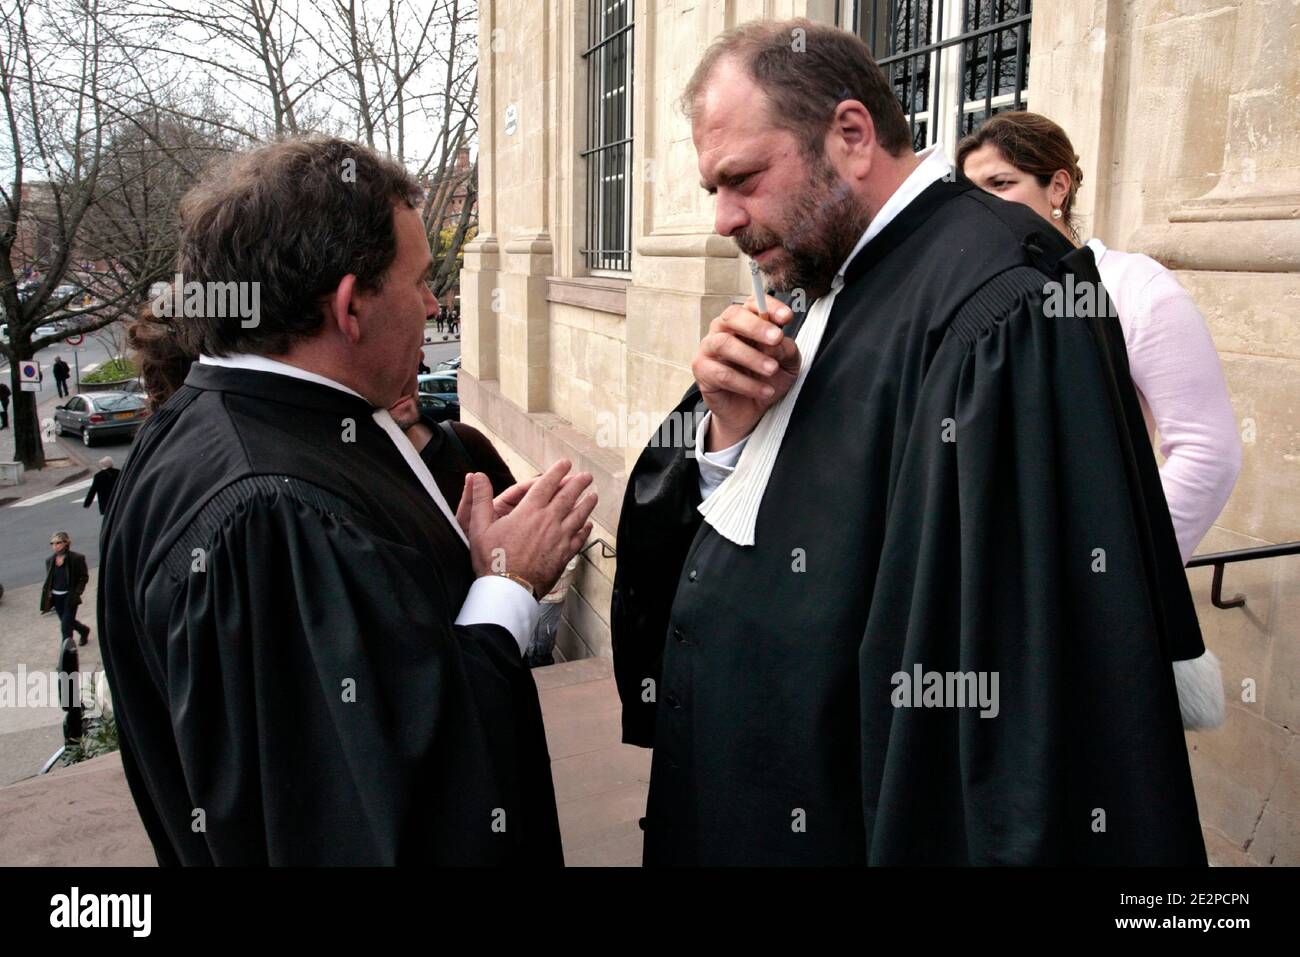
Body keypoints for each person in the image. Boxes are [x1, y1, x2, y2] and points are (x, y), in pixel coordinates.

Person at [611, 19, 1208, 866]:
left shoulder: (1006, 304)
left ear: (851, 135)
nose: (722, 218)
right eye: (713, 187)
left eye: (742, 178)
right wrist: (721, 426)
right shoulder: (824, 265)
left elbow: (1014, 708)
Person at [100, 136, 598, 866]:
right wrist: (508, 587)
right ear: (349, 306)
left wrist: (454, 567)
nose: (434, 304)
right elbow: (390, 808)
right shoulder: (271, 516)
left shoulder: (193, 429)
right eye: (421, 280)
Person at [956, 111, 1242, 566]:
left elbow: (1207, 450)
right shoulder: (974, 295)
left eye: (1001, 183)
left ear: (1058, 187)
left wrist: (1127, 572)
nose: (984, 206)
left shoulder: (1134, 286)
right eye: (973, 194)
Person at [40, 531, 91, 647]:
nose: (55, 546)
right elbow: (50, 580)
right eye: (52, 543)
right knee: (67, 621)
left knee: (65, 628)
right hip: (56, 597)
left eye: (58, 542)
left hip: (70, 597)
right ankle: (83, 630)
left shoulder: (76, 558)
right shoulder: (50, 561)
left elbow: (84, 577)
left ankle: (67, 656)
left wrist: (77, 592)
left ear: (66, 543)